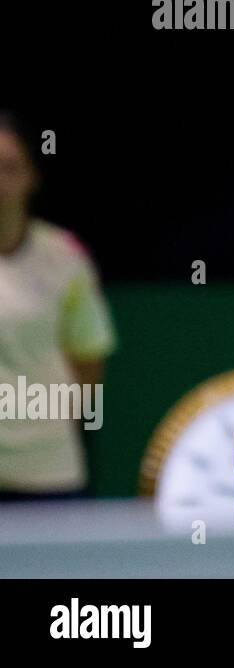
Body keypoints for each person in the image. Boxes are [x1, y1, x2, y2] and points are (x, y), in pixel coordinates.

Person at [0, 111, 116, 501]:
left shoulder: (66, 257)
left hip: (50, 478)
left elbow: (88, 365)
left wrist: (40, 429)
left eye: (10, 167)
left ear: (31, 177)